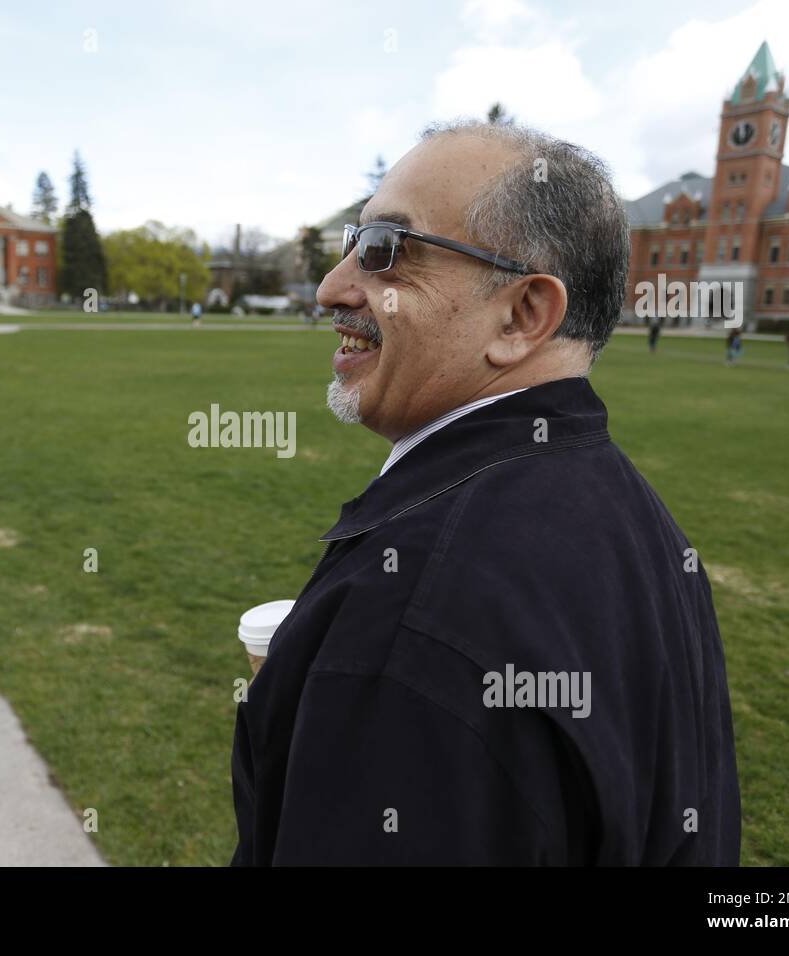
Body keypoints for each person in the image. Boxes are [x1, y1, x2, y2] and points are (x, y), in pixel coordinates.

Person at [231, 120, 740, 866]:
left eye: (384, 251)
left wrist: (369, 683)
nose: (333, 287)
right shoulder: (634, 516)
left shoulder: (413, 617)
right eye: (352, 244)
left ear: (522, 315)